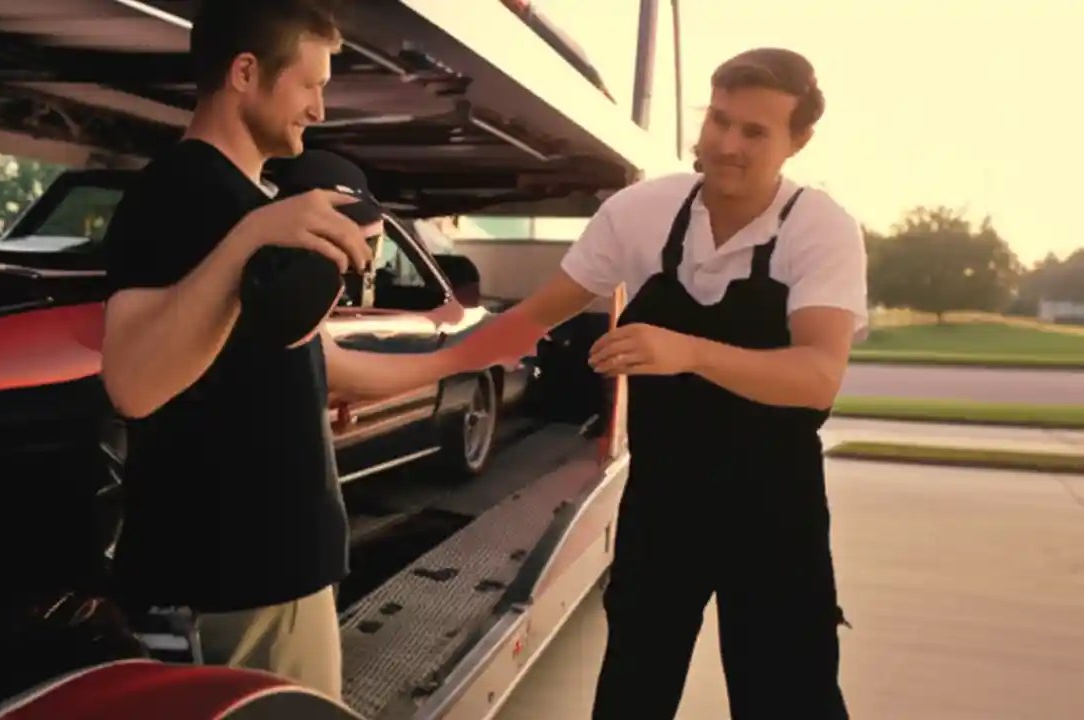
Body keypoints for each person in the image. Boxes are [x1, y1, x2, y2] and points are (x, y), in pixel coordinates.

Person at [451, 48, 866, 717]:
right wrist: (418, 369)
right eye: (718, 120)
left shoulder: (819, 228)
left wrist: (688, 352)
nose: (726, 144)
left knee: (788, 695)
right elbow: (533, 317)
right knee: (633, 693)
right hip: (664, 501)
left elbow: (818, 376)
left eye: (754, 132)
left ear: (798, 141)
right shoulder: (642, 212)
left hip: (773, 510)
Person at [98, 0, 465, 701]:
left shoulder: (245, 201)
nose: (319, 110)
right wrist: (251, 238)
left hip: (266, 575)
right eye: (310, 85)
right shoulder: (183, 194)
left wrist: (454, 359)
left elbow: (270, 357)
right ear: (245, 73)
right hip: (243, 580)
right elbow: (133, 385)